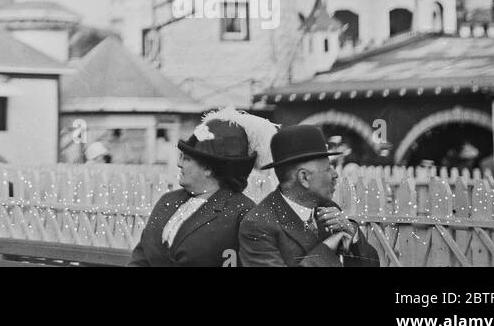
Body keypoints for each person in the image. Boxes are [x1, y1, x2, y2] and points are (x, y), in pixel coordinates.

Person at [129, 108, 275, 267]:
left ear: (208, 168)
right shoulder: (167, 202)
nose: (179, 164)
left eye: (187, 159)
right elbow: (141, 255)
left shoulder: (243, 213)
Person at [239, 124, 380, 268]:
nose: (335, 174)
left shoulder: (329, 209)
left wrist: (352, 234)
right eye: (327, 169)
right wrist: (328, 248)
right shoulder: (258, 225)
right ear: (304, 177)